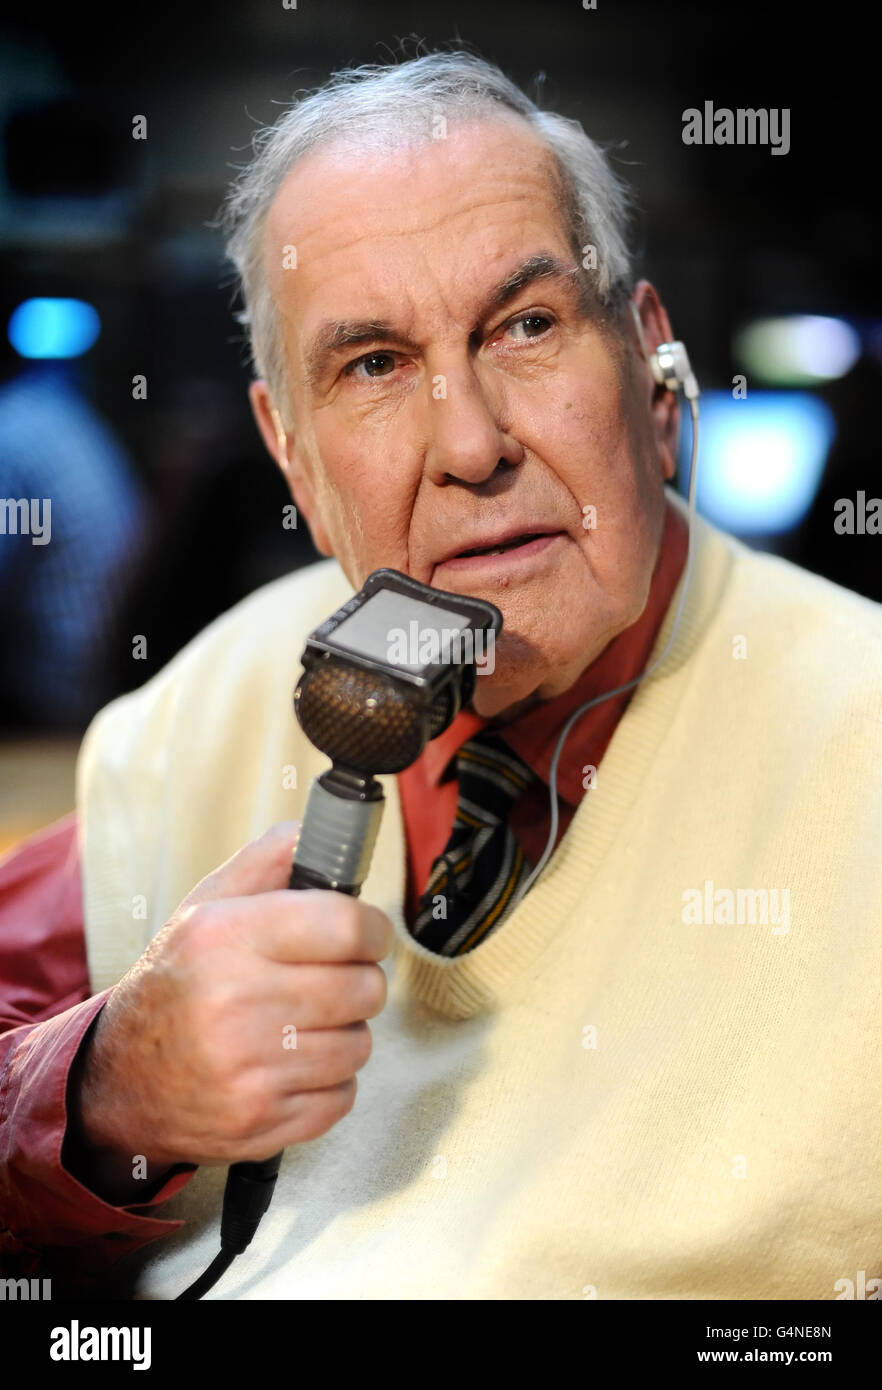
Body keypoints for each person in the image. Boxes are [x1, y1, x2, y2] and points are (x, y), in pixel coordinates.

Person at [1, 51, 880, 1301]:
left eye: (526, 326)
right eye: (373, 365)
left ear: (646, 358)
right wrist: (97, 1091)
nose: (470, 444)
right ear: (290, 456)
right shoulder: (192, 713)